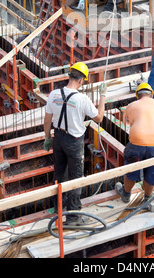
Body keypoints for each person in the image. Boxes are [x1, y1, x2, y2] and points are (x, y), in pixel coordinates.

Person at [43, 61, 106, 225]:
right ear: (81, 80)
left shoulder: (53, 94)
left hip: (58, 138)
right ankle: (73, 217)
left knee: (59, 174)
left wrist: (47, 138)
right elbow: (99, 118)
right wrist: (103, 97)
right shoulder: (82, 99)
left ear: (70, 76)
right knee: (76, 178)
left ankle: (59, 207)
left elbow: (47, 119)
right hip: (74, 141)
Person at [115, 82, 154, 203]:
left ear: (137, 96)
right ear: (150, 95)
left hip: (136, 143)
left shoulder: (131, 106)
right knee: (152, 171)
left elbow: (127, 119)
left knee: (131, 170)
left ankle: (126, 194)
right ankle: (148, 198)